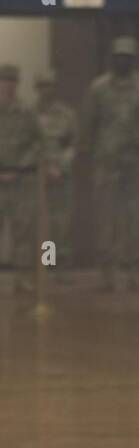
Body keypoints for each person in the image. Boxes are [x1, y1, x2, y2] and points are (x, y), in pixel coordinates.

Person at [80, 35, 139, 291]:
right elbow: (88, 127)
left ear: (133, 60)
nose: (123, 60)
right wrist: (89, 159)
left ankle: (134, 273)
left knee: (135, 218)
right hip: (106, 163)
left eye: (127, 57)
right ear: (113, 59)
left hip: (136, 163)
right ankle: (106, 275)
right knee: (106, 217)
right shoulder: (98, 88)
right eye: (119, 56)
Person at [0, 64, 42, 292]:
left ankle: (22, 278)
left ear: (17, 84)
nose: (7, 85)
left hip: (20, 181)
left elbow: (38, 142)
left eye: (12, 81)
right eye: (4, 80)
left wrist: (20, 167)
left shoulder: (27, 112)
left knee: (23, 232)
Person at [33, 71, 78, 263]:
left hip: (61, 175)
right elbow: (26, 144)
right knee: (41, 223)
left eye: (49, 85)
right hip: (34, 176)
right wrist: (41, 167)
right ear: (36, 88)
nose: (46, 90)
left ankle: (60, 265)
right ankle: (45, 264)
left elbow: (73, 144)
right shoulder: (29, 113)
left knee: (61, 222)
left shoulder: (66, 114)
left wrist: (60, 166)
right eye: (42, 86)